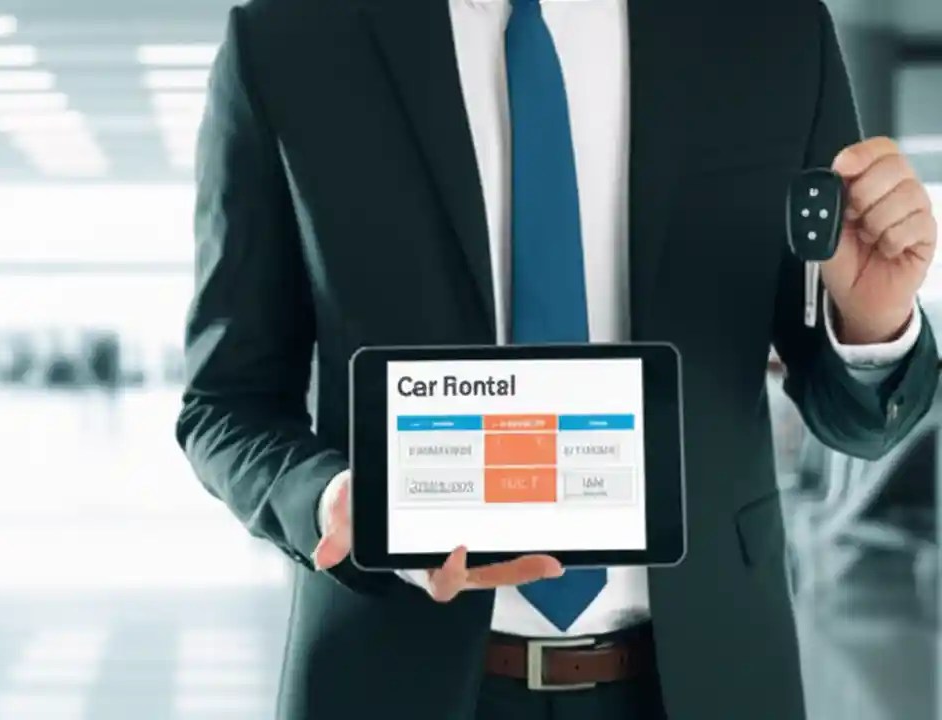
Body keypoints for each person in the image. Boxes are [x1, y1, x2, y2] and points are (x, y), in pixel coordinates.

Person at [175, 0, 939, 718]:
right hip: (392, 671)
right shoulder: (289, 41)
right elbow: (226, 401)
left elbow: (851, 416)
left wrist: (873, 324)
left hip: (707, 677)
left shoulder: (770, 33)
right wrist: (327, 501)